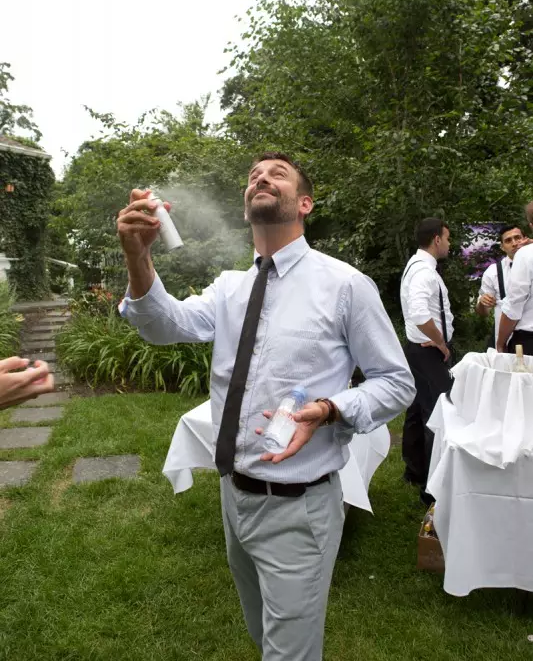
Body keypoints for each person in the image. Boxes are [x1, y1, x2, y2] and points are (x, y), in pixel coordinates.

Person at [117, 151, 414, 661]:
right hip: (234, 497)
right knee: (262, 637)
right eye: (254, 175)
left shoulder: (344, 285)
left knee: (289, 655)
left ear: (305, 203)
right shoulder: (231, 288)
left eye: (277, 174)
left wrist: (330, 409)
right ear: (245, 207)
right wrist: (137, 256)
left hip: (299, 508)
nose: (261, 177)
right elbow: (163, 325)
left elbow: (396, 382)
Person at [400, 217, 454, 506]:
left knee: (418, 410)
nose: (449, 243)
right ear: (436, 239)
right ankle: (431, 489)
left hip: (416, 349)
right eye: (447, 238)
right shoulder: (424, 272)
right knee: (439, 415)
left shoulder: (415, 265)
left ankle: (415, 470)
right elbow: (421, 313)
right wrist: (441, 342)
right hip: (427, 351)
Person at [475, 224, 524, 346]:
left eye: (517, 237)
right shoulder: (493, 272)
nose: (514, 243)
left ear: (525, 239)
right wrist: (483, 302)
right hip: (506, 339)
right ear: (502, 247)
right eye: (508, 240)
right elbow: (483, 312)